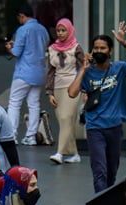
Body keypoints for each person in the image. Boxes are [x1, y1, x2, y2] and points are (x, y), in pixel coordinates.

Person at [68, 24, 126, 193]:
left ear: (110, 51)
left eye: (102, 48)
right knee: (100, 172)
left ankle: (108, 200)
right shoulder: (87, 72)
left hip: (114, 126)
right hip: (95, 127)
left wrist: (125, 43)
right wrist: (83, 70)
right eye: (96, 48)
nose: (98, 51)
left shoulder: (119, 68)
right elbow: (72, 93)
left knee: (111, 172)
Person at [4, 4, 49, 145]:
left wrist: (10, 48)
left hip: (24, 72)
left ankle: (11, 135)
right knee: (34, 104)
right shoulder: (43, 29)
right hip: (40, 72)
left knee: (14, 103)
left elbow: (16, 53)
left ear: (22, 16)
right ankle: (31, 136)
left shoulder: (22, 30)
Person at [45, 18, 84, 165]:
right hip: (58, 86)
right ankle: (74, 153)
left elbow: (83, 69)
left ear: (70, 30)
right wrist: (49, 93)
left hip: (73, 86)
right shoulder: (52, 49)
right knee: (63, 120)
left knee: (67, 117)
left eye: (63, 30)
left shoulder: (76, 48)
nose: (60, 33)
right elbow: (50, 72)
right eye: (58, 31)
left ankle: (60, 153)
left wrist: (84, 89)